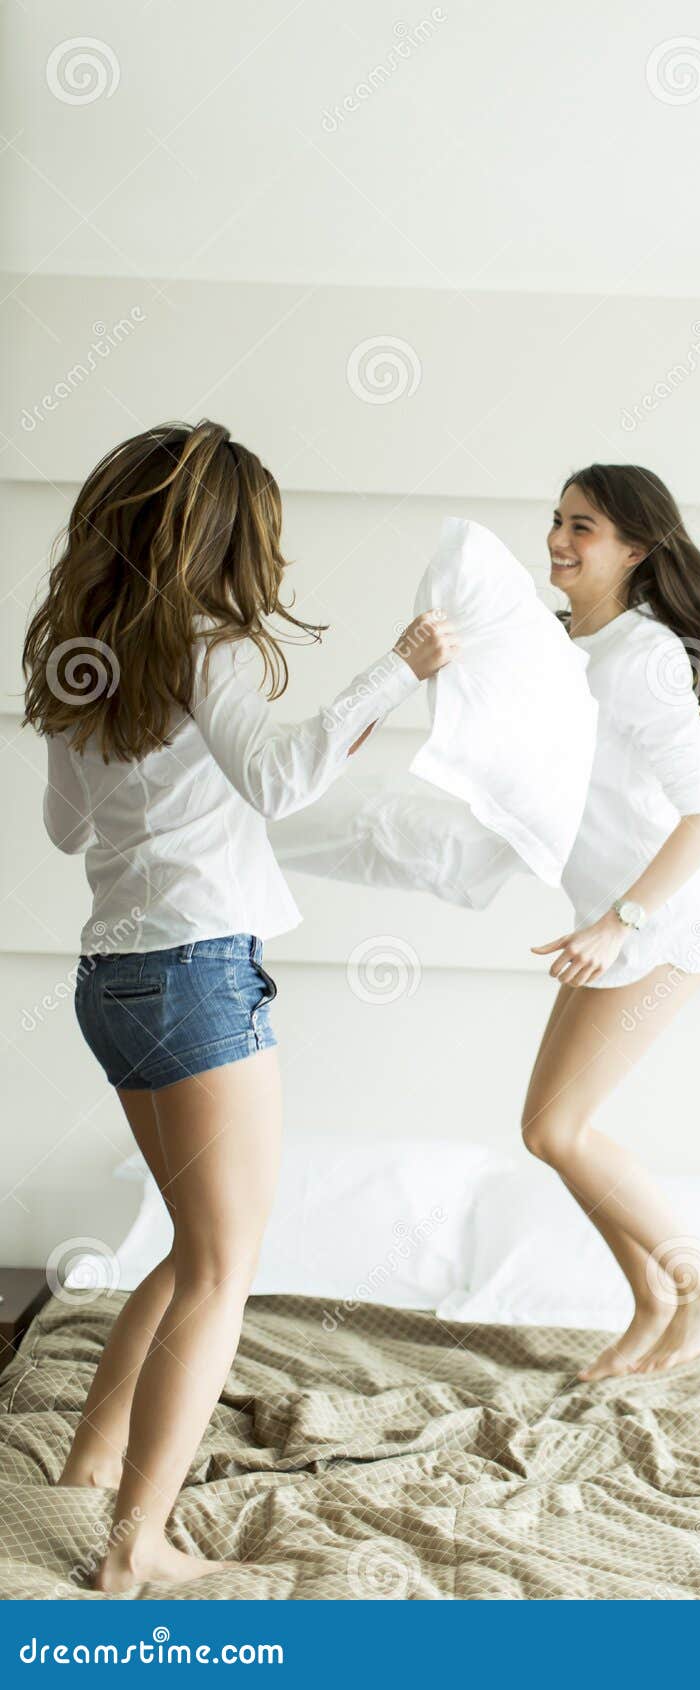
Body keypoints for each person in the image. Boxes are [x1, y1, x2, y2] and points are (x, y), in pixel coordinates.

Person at [21, 419, 455, 1590]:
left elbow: (68, 828)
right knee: (224, 1265)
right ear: (220, 537)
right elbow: (279, 775)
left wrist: (138, 783)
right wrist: (397, 667)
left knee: (187, 1244)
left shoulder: (83, 657)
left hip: (109, 979)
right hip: (199, 972)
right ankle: (136, 1545)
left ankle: (86, 1468)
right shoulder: (206, 651)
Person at [522, 464, 700, 1381]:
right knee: (549, 1128)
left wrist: (621, 920)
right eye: (557, 521)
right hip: (610, 920)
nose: (558, 542)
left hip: (662, 924)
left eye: (583, 528)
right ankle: (653, 1298)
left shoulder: (646, 657)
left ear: (635, 551)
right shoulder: (567, 644)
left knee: (557, 1130)